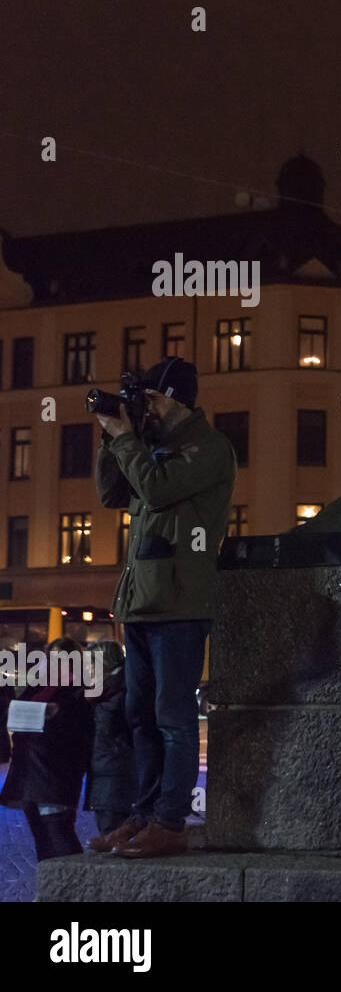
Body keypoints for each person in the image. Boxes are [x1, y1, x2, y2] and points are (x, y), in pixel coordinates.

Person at [88, 356, 235, 859]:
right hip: (140, 602)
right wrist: (113, 436)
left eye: (151, 397)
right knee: (139, 716)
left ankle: (170, 822)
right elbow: (111, 493)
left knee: (172, 717)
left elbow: (156, 488)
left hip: (179, 603)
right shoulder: (148, 446)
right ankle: (144, 814)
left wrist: (128, 439)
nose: (143, 405)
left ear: (176, 398)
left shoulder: (209, 448)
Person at [0, 637, 94, 861]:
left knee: (58, 831)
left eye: (62, 658)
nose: (55, 662)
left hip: (54, 773)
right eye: (51, 657)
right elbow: (13, 710)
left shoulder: (79, 688)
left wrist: (53, 713)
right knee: (40, 833)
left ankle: (74, 886)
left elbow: (77, 728)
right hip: (28, 771)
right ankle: (50, 887)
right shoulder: (40, 684)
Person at [83, 641, 134, 836]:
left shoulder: (117, 692)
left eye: (90, 664)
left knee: (112, 833)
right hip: (108, 770)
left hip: (116, 774)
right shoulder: (106, 691)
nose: (87, 670)